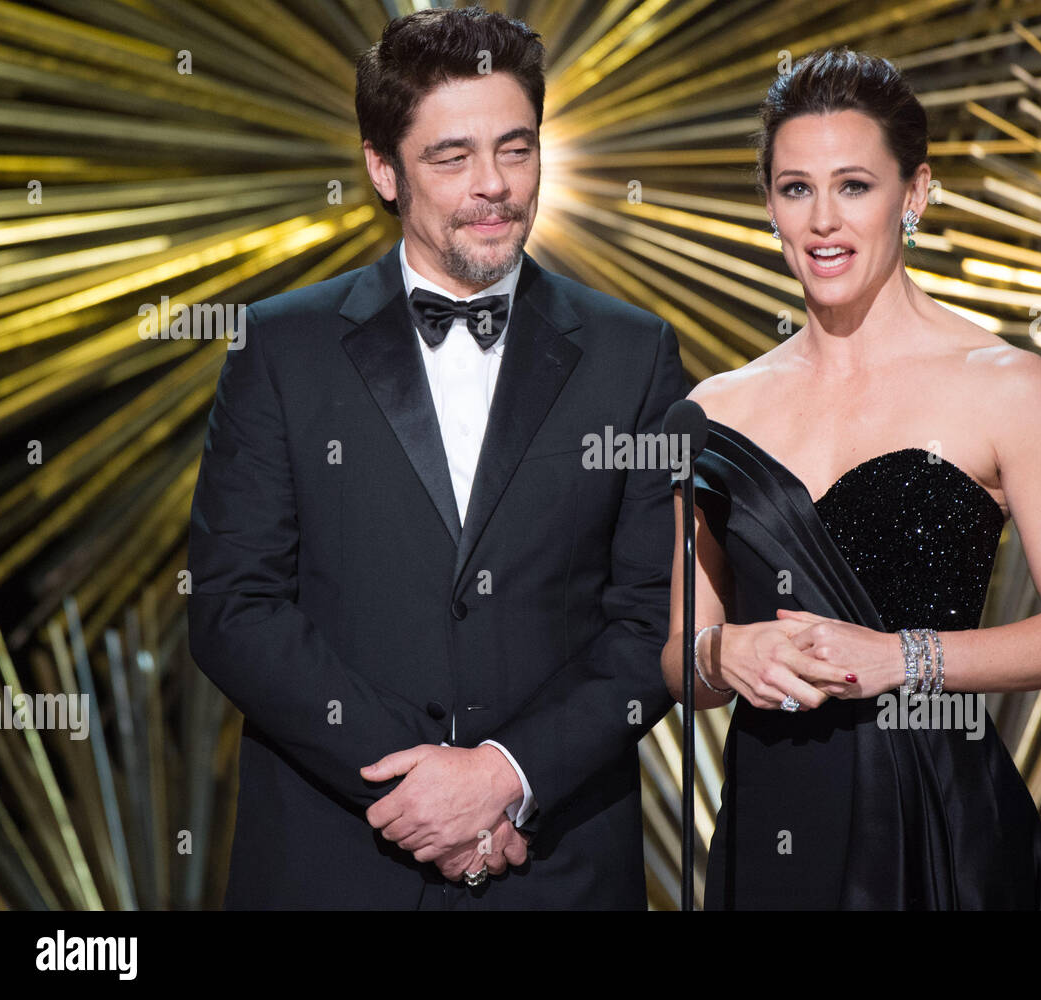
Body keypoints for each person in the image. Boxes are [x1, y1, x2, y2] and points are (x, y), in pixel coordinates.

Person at [188, 7, 685, 909]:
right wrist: (424, 795)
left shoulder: (636, 354)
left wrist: (505, 775)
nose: (493, 185)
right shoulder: (279, 347)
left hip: (557, 864)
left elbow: (653, 618)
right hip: (334, 861)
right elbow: (234, 608)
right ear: (384, 170)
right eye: (452, 157)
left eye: (517, 148)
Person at [662, 49, 1041, 909]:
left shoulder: (1004, 384)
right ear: (769, 205)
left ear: (913, 195)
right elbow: (682, 657)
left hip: (936, 814)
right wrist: (725, 653)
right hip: (773, 820)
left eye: (855, 186)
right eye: (796, 188)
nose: (824, 221)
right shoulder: (712, 411)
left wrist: (897, 660)